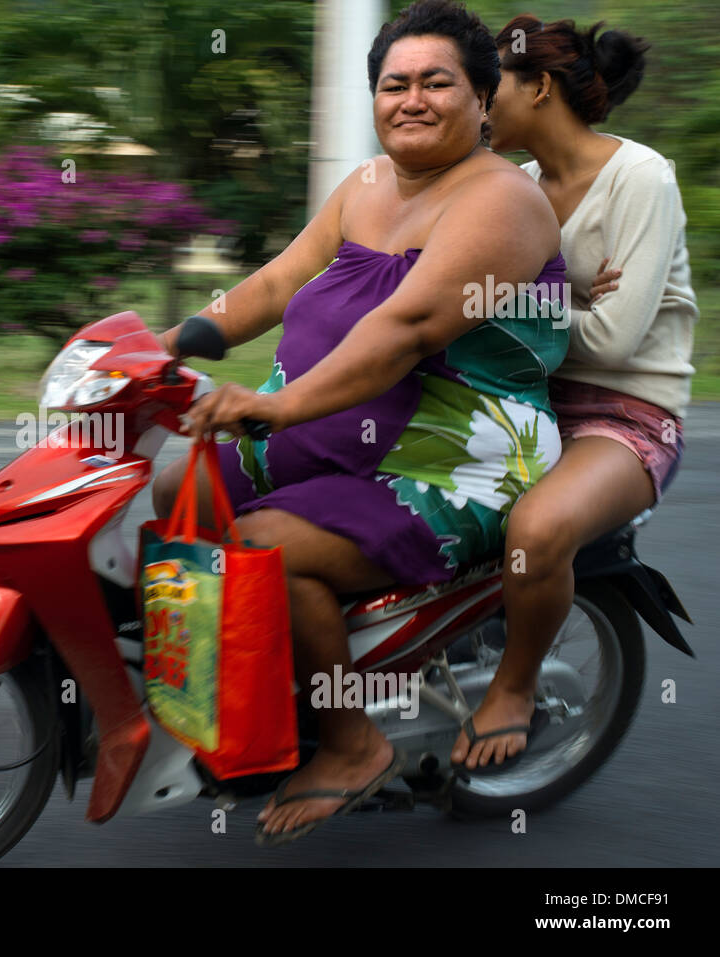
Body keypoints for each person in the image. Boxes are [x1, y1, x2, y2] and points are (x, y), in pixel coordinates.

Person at [153, 0, 568, 844]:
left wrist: (273, 404)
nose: (410, 99)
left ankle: (351, 739)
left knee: (267, 541)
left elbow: (404, 330)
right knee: (172, 484)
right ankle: (245, 692)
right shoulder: (369, 184)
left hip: (454, 453)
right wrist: (160, 347)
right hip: (331, 425)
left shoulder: (502, 203)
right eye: (393, 84)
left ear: (485, 99)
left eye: (436, 82)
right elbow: (271, 286)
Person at [449, 15, 698, 772]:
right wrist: (563, 306)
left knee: (536, 527)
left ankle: (516, 688)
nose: (479, 109)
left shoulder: (641, 178)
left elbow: (618, 343)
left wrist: (517, 308)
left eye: (491, 90)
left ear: (540, 87)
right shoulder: (516, 187)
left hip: (626, 416)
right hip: (525, 397)